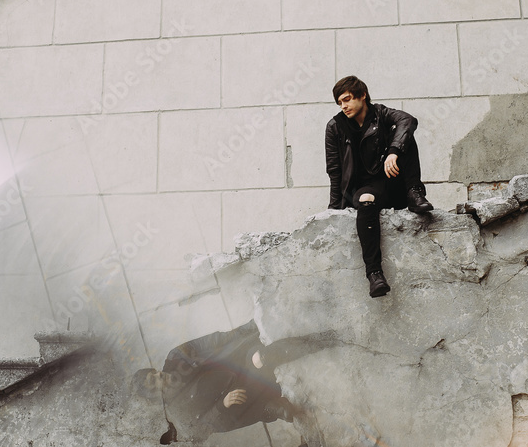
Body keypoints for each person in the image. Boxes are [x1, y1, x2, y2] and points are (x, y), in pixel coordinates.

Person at [325, 76, 433, 298]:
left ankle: (415, 193)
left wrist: (393, 152)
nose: (343, 106)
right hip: (364, 190)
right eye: (340, 102)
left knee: (405, 136)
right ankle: (375, 275)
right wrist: (334, 209)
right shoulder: (335, 127)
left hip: (393, 185)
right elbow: (335, 171)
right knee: (366, 199)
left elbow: (408, 120)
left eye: (347, 99)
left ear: (362, 95)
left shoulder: (381, 114)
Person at [133, 321, 301, 444]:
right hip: (241, 396)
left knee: (259, 357)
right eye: (154, 381)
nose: (159, 375)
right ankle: (268, 408)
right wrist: (222, 405)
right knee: (226, 413)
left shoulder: (176, 357)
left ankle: (270, 402)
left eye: (154, 372)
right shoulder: (178, 412)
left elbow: (214, 339)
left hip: (237, 362)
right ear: (156, 396)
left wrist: (248, 327)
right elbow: (202, 431)